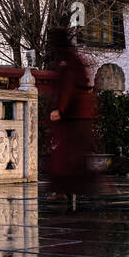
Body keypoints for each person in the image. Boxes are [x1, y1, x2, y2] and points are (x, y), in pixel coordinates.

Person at [44, 26, 97, 207]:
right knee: (74, 157)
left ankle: (63, 190)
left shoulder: (67, 63)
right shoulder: (75, 60)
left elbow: (68, 88)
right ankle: (74, 190)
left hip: (72, 116)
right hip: (82, 113)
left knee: (64, 156)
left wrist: (60, 109)